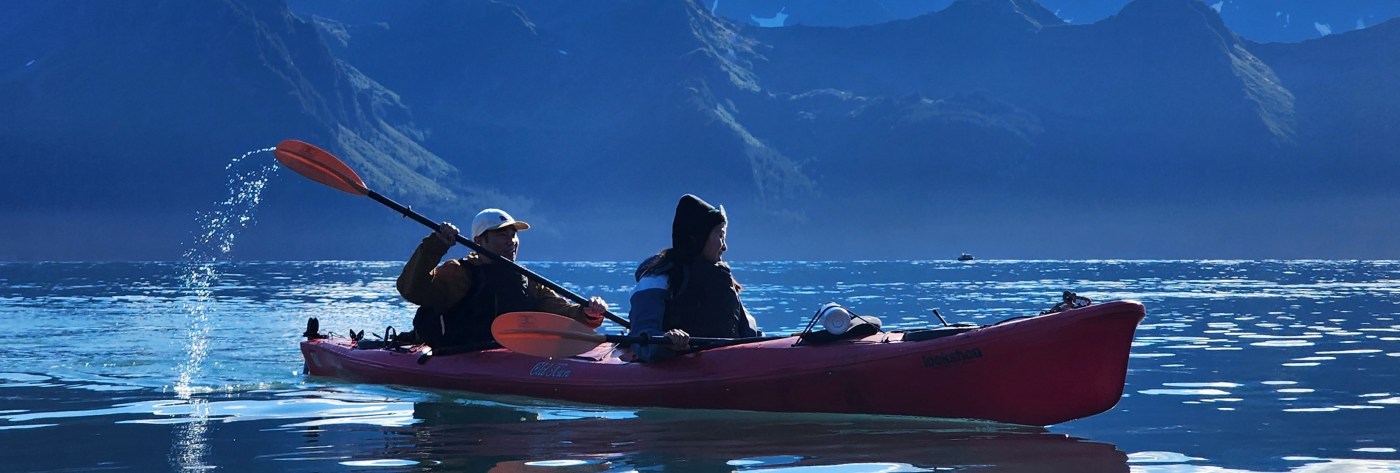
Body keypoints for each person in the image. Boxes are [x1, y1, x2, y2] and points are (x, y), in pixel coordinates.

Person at [397, 208, 609, 349]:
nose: (512, 241)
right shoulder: (459, 273)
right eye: (502, 235)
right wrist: (436, 244)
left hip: (510, 356)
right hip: (461, 354)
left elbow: (563, 313)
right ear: (480, 241)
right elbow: (412, 289)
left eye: (513, 235)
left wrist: (588, 312)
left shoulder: (528, 279)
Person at [627, 194, 760, 362]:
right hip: (676, 368)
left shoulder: (721, 279)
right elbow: (642, 337)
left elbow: (751, 334)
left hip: (724, 365)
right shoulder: (657, 279)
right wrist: (665, 342)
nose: (725, 247)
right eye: (720, 236)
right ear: (698, 238)